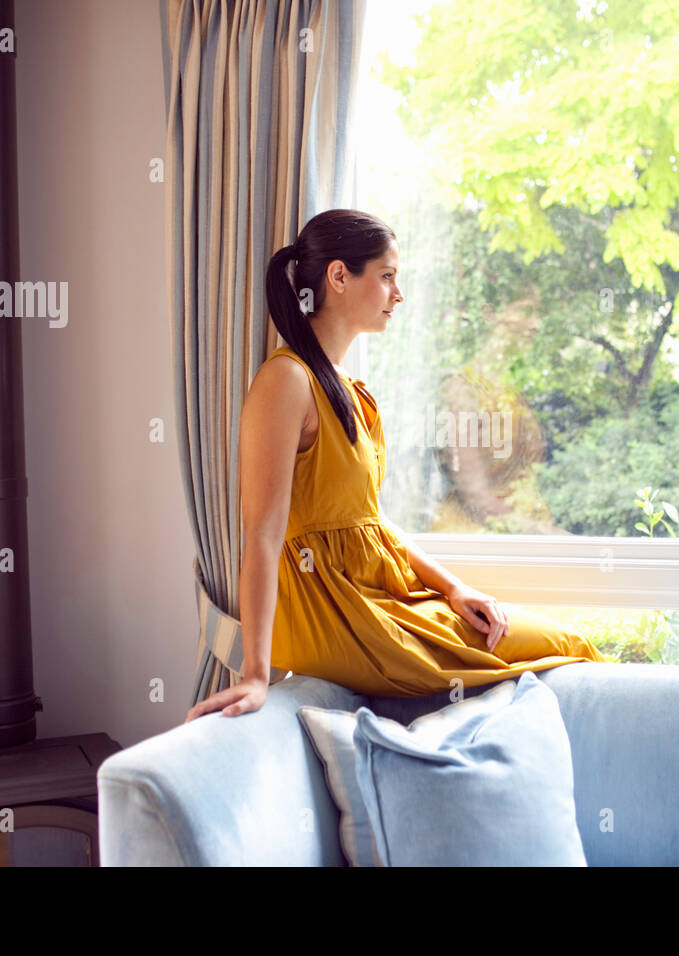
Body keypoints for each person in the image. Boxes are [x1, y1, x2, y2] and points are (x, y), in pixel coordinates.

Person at [185, 209, 606, 721]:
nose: (397, 294)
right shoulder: (286, 381)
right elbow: (263, 533)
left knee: (567, 646)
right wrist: (255, 674)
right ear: (339, 277)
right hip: (334, 611)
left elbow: (370, 521)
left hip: (378, 594)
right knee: (567, 645)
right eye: (386, 277)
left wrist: (454, 588)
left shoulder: (350, 392)